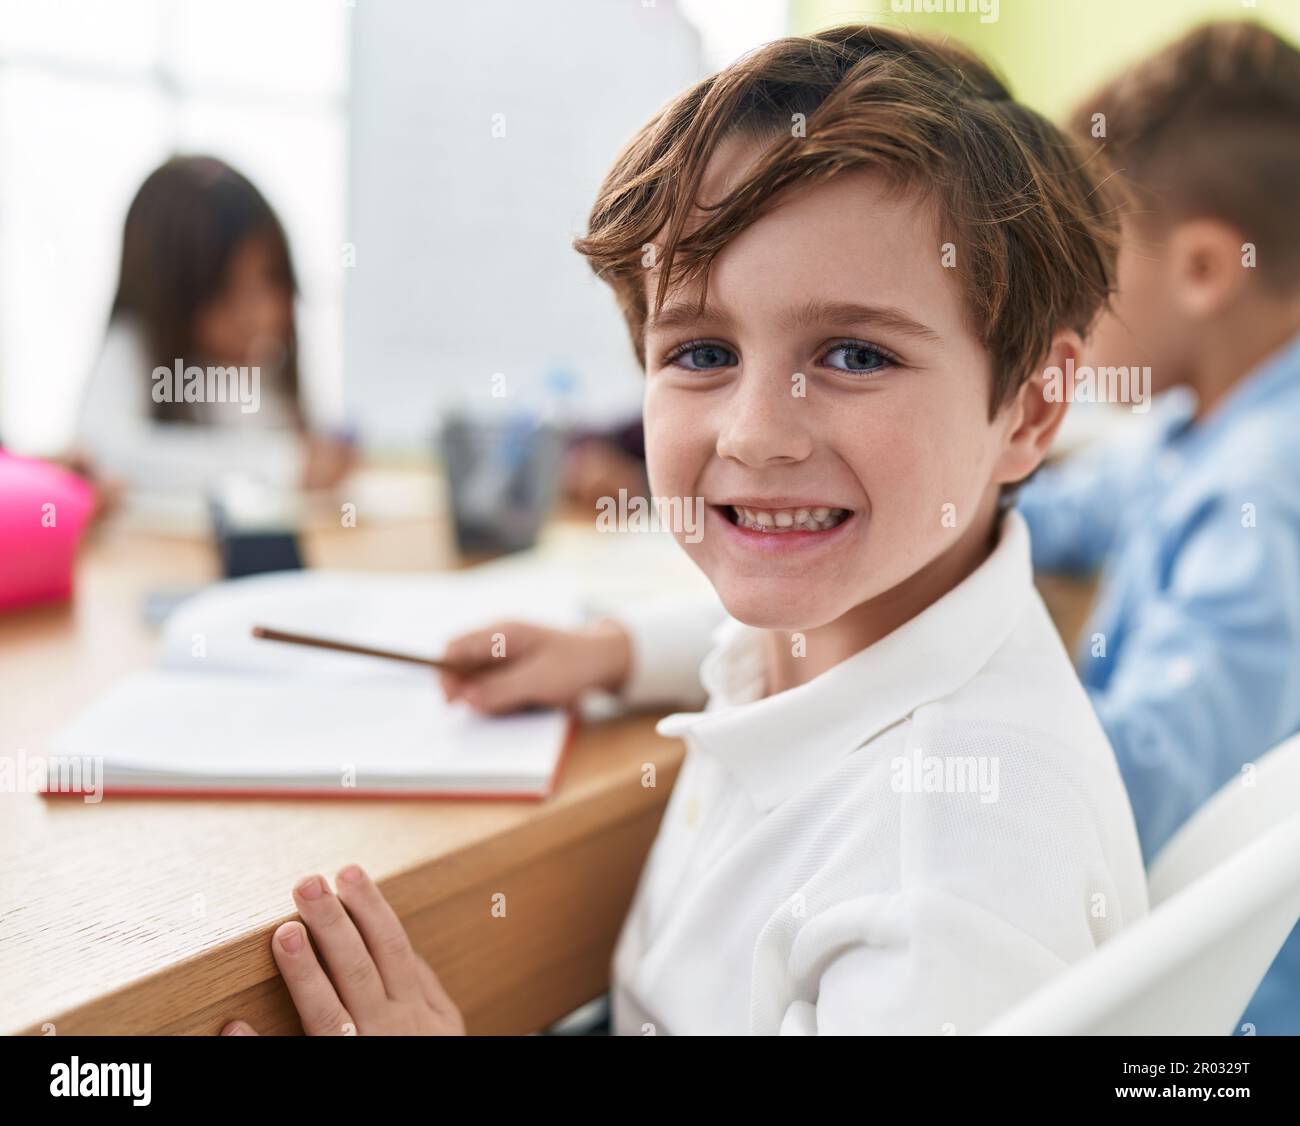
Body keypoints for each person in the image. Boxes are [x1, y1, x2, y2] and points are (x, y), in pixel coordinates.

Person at [223, 25, 1147, 1036]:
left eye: (851, 353)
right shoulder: (858, 622)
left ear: (1030, 409)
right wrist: (613, 650)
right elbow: (761, 644)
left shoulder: (946, 886)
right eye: (702, 350)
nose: (754, 434)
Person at [1015, 21, 1300, 1034]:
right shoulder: (1198, 421)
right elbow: (1056, 515)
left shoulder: (1262, 487)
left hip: (1217, 1020)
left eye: (1086, 261)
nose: (1059, 298)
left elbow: (1146, 782)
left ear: (1201, 269)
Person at [76, 155, 352, 496]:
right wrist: (285, 466)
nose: (262, 314)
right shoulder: (134, 347)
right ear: (173, 294)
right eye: (228, 290)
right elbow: (102, 455)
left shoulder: (265, 372)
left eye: (270, 280)